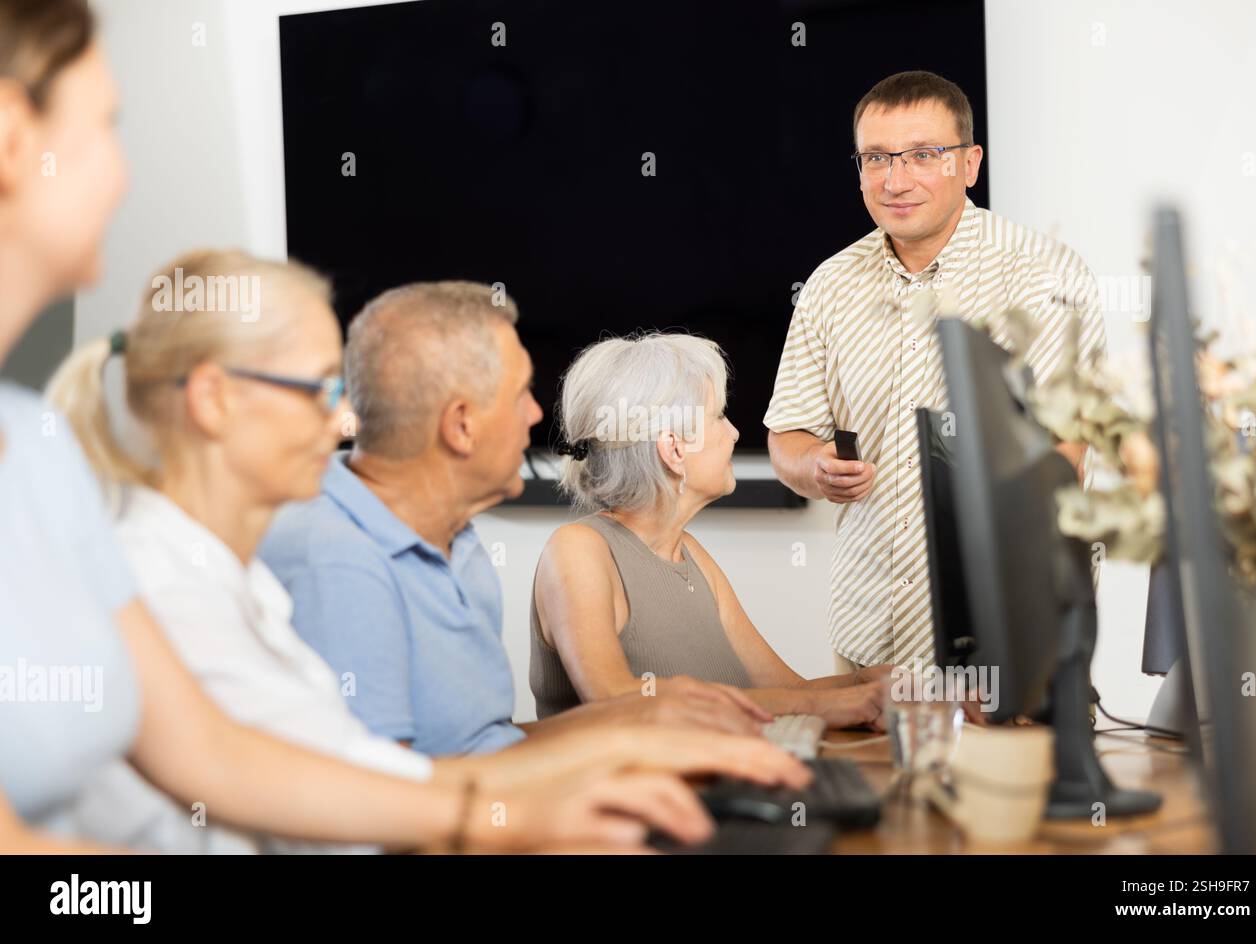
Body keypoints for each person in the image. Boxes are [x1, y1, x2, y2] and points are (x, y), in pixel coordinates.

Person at [0, 0, 789, 854]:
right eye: (105, 125)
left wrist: (577, 774)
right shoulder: (295, 555)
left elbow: (227, 761)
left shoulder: (41, 455)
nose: (342, 418)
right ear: (13, 136)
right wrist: (560, 783)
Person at [45, 249, 805, 852]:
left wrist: (625, 744)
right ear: (213, 400)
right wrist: (585, 773)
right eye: (315, 390)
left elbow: (372, 773)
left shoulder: (245, 584)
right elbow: (355, 795)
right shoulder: (233, 569)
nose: (347, 420)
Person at [261, 282, 773, 756]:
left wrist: (650, 726)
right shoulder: (337, 560)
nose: (535, 414)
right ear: (461, 425)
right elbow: (385, 798)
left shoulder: (458, 543)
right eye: (520, 394)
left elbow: (481, 746)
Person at [764, 70, 1105, 674]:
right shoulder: (830, 284)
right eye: (876, 158)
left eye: (923, 155)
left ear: (970, 164)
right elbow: (787, 438)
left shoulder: (1044, 274)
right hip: (867, 631)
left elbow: (1066, 455)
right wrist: (815, 467)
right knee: (869, 773)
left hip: (1009, 635)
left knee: (1017, 773)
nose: (896, 180)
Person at [529, 332, 897, 727]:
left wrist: (868, 683)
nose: (735, 432)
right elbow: (617, 701)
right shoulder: (578, 550)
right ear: (673, 449)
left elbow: (788, 692)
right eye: (719, 415)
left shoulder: (690, 554)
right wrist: (834, 704)